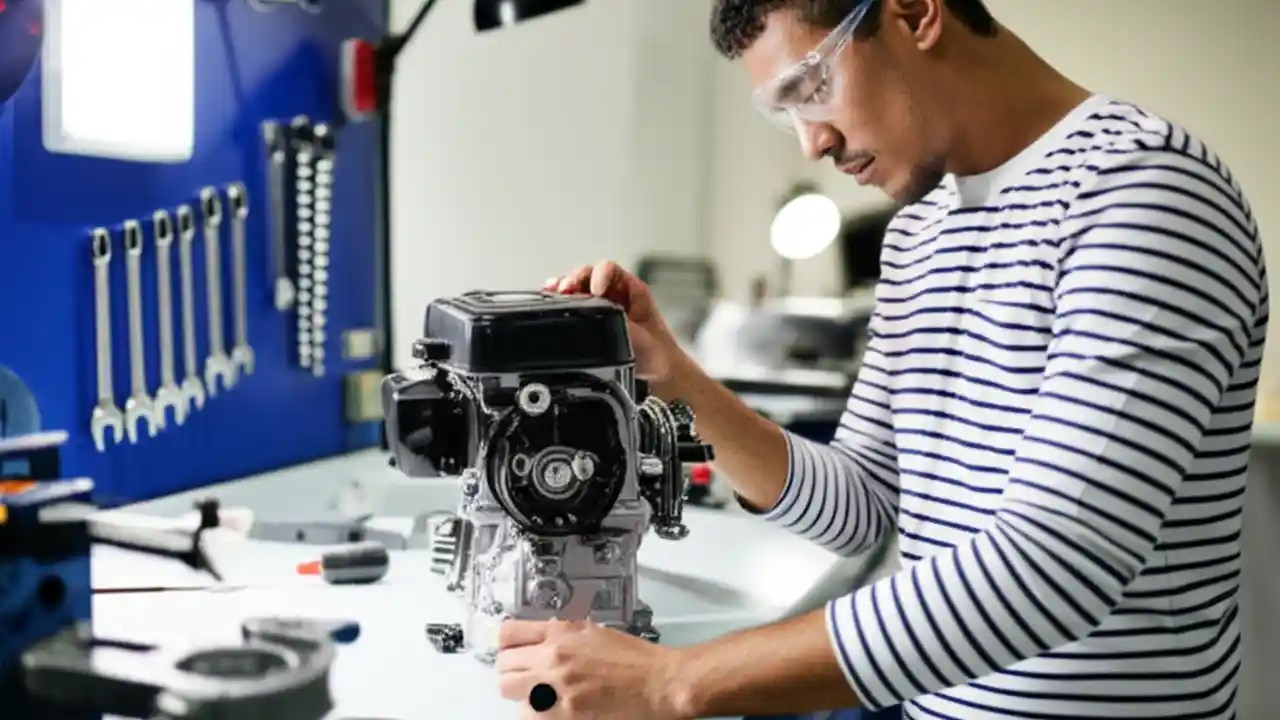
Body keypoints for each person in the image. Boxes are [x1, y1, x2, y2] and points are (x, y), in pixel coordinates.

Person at [495, 0, 1265, 717]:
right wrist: (673, 376)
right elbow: (862, 506)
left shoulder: (1143, 192)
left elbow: (1053, 566)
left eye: (812, 86)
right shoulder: (921, 229)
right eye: (785, 113)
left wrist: (675, 683)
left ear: (914, 12)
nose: (812, 140)